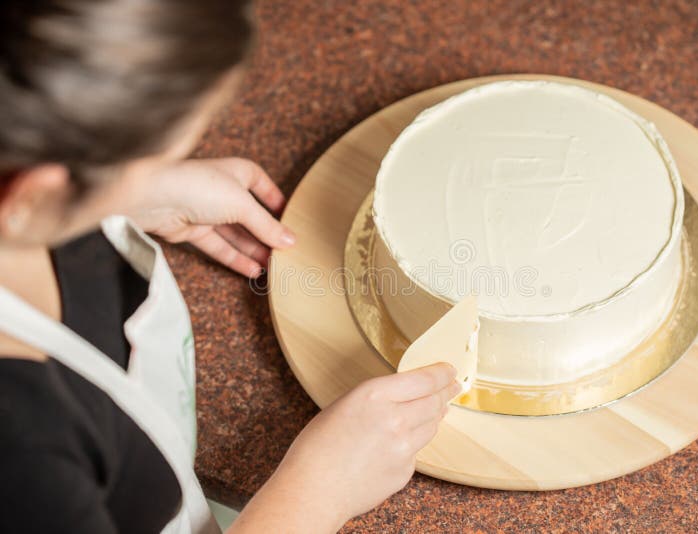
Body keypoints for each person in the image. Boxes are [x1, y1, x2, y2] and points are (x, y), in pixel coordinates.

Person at [0, 1, 461, 532]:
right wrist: (317, 490)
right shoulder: (23, 467)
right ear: (34, 195)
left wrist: (136, 194)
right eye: (155, 156)